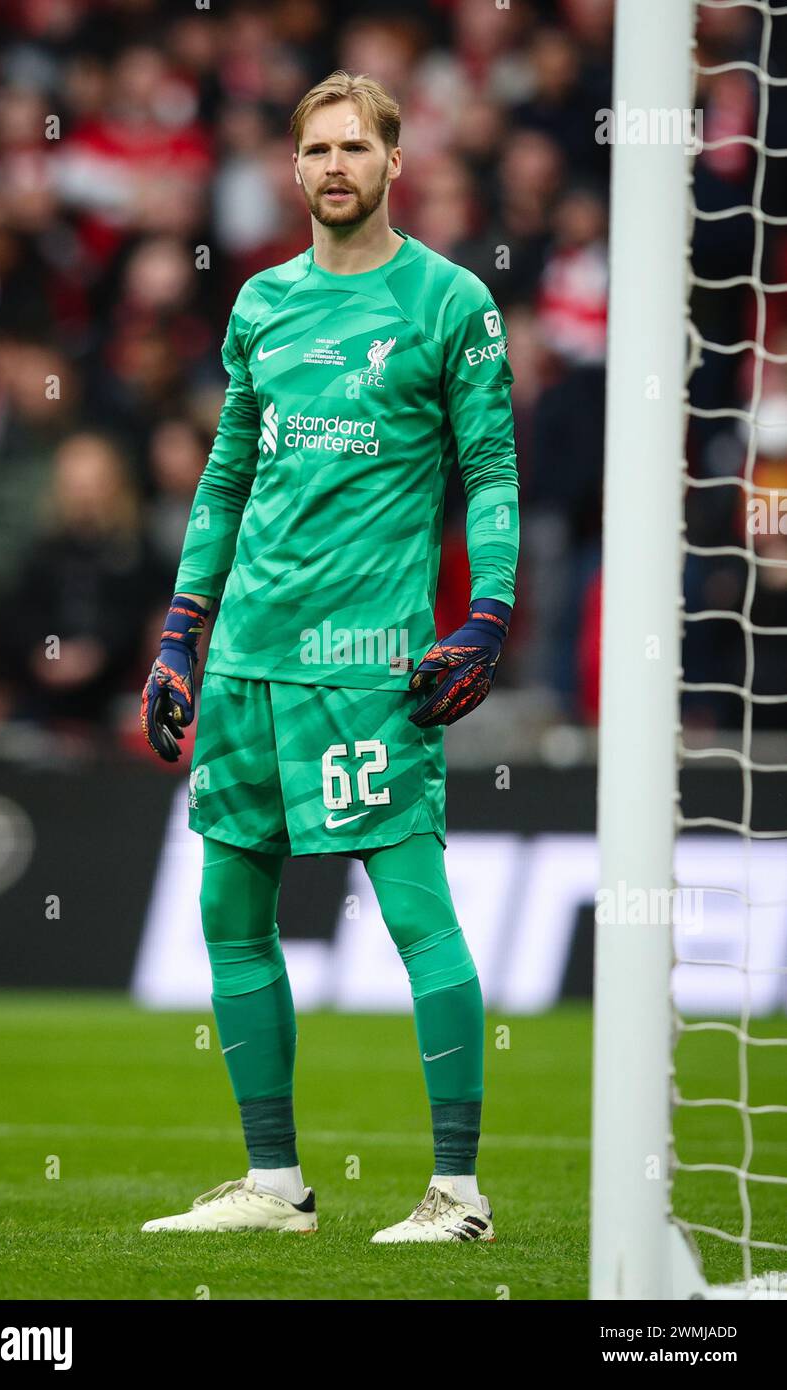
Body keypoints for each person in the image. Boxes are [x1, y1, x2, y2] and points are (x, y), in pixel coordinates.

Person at [139, 71, 519, 1243]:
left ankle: (457, 1192)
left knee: (415, 915)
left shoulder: (451, 304)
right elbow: (225, 477)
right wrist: (181, 632)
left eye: (356, 145)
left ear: (395, 162)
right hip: (250, 658)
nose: (335, 166)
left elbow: (491, 473)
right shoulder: (258, 306)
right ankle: (275, 1186)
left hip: (368, 665)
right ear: (294, 168)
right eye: (316, 150)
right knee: (225, 908)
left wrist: (487, 613)